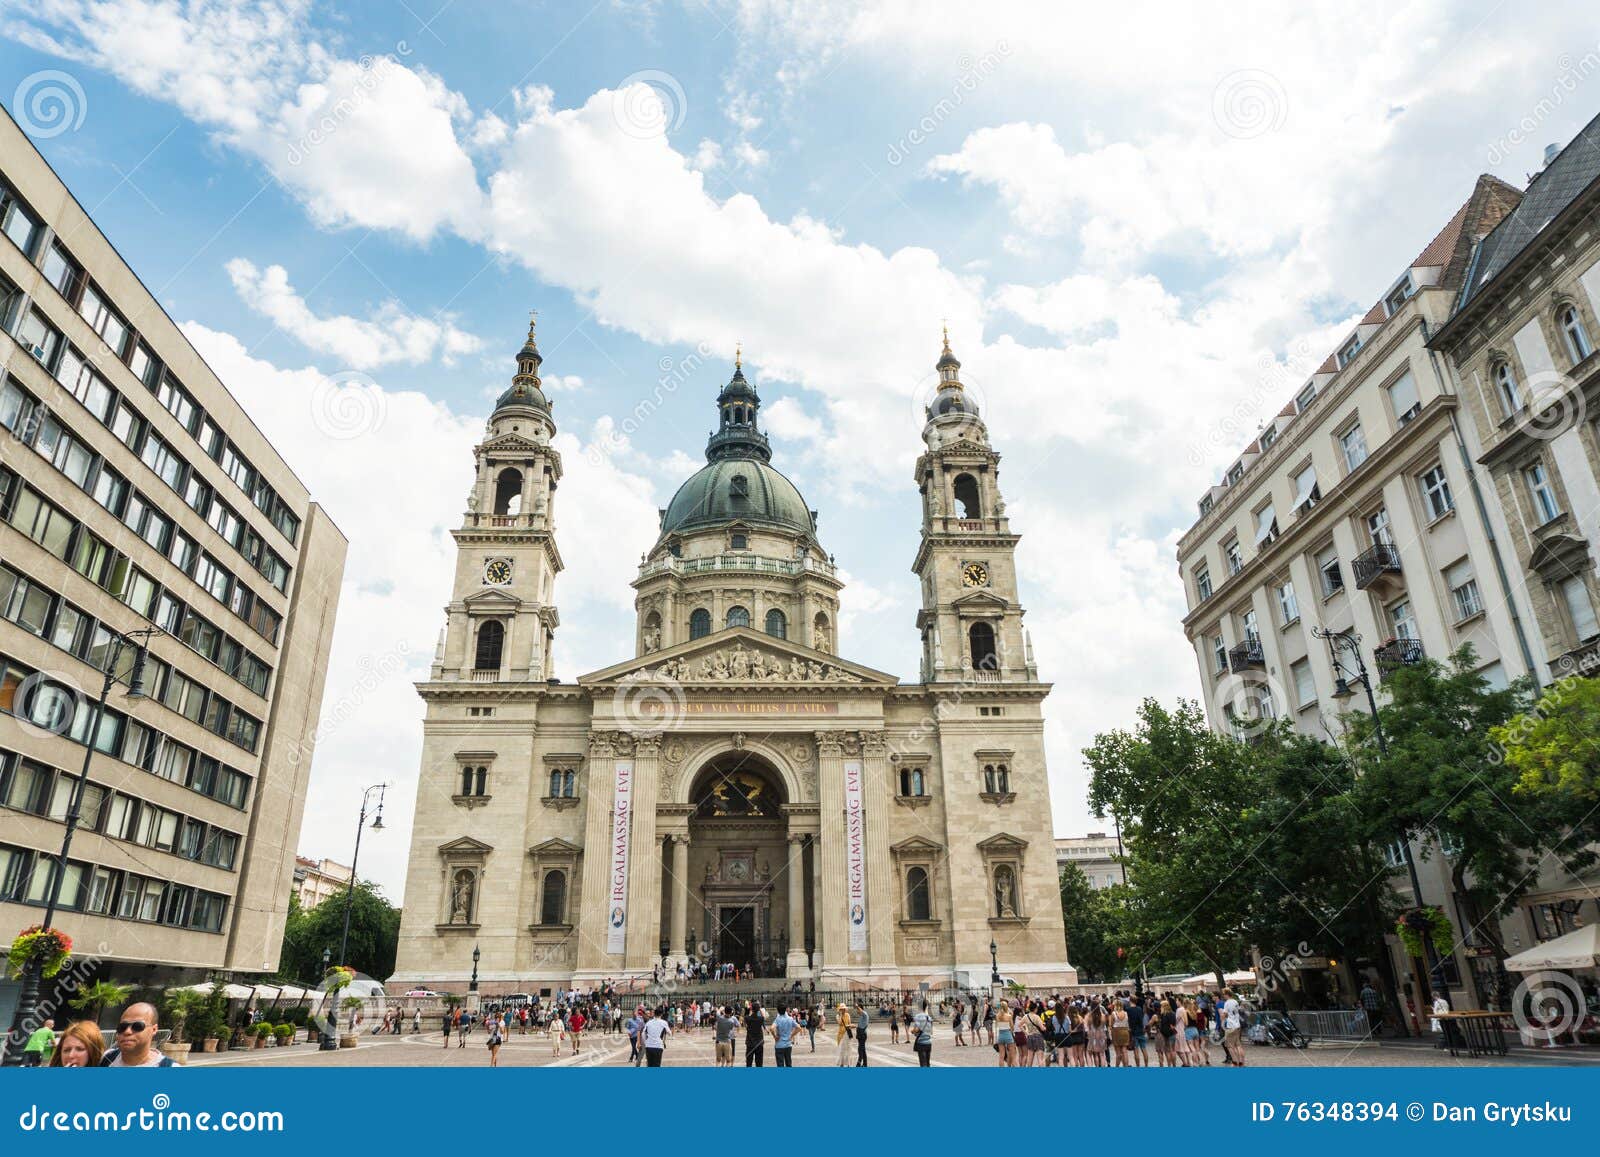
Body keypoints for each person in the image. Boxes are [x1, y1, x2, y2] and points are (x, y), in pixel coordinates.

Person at [101, 1003, 175, 1067]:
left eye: (137, 1026)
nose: (127, 1031)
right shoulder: (106, 1058)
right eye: (122, 1027)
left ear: (154, 1029)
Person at [1219, 988, 1244, 1067]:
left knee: (1230, 1046)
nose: (1223, 996)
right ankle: (1241, 1062)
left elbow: (1224, 1015)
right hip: (1237, 1025)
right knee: (1238, 1045)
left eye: (1223, 994)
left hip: (1231, 1026)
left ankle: (1235, 1062)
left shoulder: (1227, 1003)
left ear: (1227, 994)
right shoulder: (1235, 1001)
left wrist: (1222, 1015)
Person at [910, 1000, 934, 1067]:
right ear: (926, 1007)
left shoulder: (918, 1016)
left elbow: (917, 1029)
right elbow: (931, 1032)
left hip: (921, 1043)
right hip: (928, 1043)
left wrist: (912, 1031)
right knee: (928, 1064)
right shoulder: (929, 1017)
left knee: (923, 1064)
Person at [744, 1002, 766, 1067]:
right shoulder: (761, 1019)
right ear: (758, 1009)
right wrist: (759, 1010)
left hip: (750, 1043)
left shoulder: (747, 1018)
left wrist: (751, 1011)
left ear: (751, 1009)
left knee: (749, 1062)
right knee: (759, 1063)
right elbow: (764, 1016)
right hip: (759, 1042)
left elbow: (745, 1022)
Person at [994, 999, 1016, 1067]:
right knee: (1013, 1056)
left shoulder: (997, 1016)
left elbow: (997, 1026)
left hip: (1001, 1035)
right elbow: (1012, 1027)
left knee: (1001, 1056)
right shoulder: (1009, 1016)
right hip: (1008, 1034)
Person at [835, 1003, 854, 1067]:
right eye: (841, 1009)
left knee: (848, 1049)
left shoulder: (847, 1015)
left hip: (847, 1034)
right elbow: (839, 1023)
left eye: (843, 1009)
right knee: (841, 1050)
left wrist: (851, 1026)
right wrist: (840, 1015)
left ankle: (848, 1063)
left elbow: (849, 1023)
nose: (843, 1010)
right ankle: (841, 1063)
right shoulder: (838, 1016)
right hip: (841, 1034)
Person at [854, 1000, 870, 1067]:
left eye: (857, 1010)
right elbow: (860, 1025)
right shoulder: (861, 1016)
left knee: (860, 1049)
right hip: (860, 1034)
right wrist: (853, 1026)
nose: (856, 1011)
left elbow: (861, 1011)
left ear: (860, 1009)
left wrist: (857, 1006)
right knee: (862, 1049)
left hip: (863, 1035)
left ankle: (859, 1063)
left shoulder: (865, 1014)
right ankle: (865, 1064)